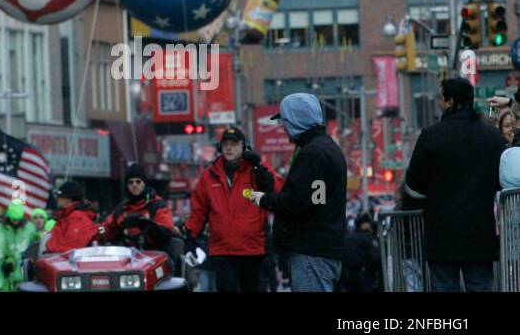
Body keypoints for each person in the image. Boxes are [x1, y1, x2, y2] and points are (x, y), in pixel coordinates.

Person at [402, 76, 506, 292]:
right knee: (481, 286)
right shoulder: (492, 137)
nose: (439, 103)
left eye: (441, 98)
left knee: (443, 288)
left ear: (449, 101)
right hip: (481, 232)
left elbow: (414, 180)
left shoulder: (431, 136)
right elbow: (501, 178)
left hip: (442, 234)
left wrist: (437, 189)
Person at [249, 92, 347, 292]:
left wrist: (263, 199)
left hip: (310, 252)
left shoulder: (311, 154)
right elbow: (314, 199)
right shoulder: (327, 149)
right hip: (323, 248)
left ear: (294, 120)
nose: (283, 127)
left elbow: (297, 201)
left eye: (284, 121)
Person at [186, 126, 281, 292]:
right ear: (220, 147)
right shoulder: (209, 175)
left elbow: (276, 191)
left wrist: (258, 167)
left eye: (234, 143)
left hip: (253, 249)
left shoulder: (255, 170)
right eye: (225, 144)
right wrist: (191, 236)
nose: (229, 148)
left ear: (244, 146)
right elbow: (198, 210)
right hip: (222, 250)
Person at [103, 165, 179, 253]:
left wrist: (145, 224)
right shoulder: (121, 209)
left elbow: (166, 234)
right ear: (127, 185)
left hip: (156, 255)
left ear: (144, 183)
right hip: (127, 257)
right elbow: (104, 228)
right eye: (130, 182)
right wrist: (99, 231)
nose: (134, 185)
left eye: (138, 182)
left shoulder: (157, 205)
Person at [46, 180, 102, 252]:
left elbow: (72, 247)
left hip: (65, 260)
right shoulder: (66, 216)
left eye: (61, 196)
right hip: (59, 259)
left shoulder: (77, 217)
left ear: (69, 200)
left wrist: (49, 247)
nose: (57, 199)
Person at [339, 212, 381, 293]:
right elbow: (376, 258)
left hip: (348, 275)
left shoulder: (348, 238)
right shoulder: (369, 238)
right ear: (364, 224)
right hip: (365, 274)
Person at [1, 201, 37, 289]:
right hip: (5, 275)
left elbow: (33, 250)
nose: (15, 221)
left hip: (23, 275)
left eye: (17, 219)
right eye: (13, 219)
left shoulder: (30, 228)